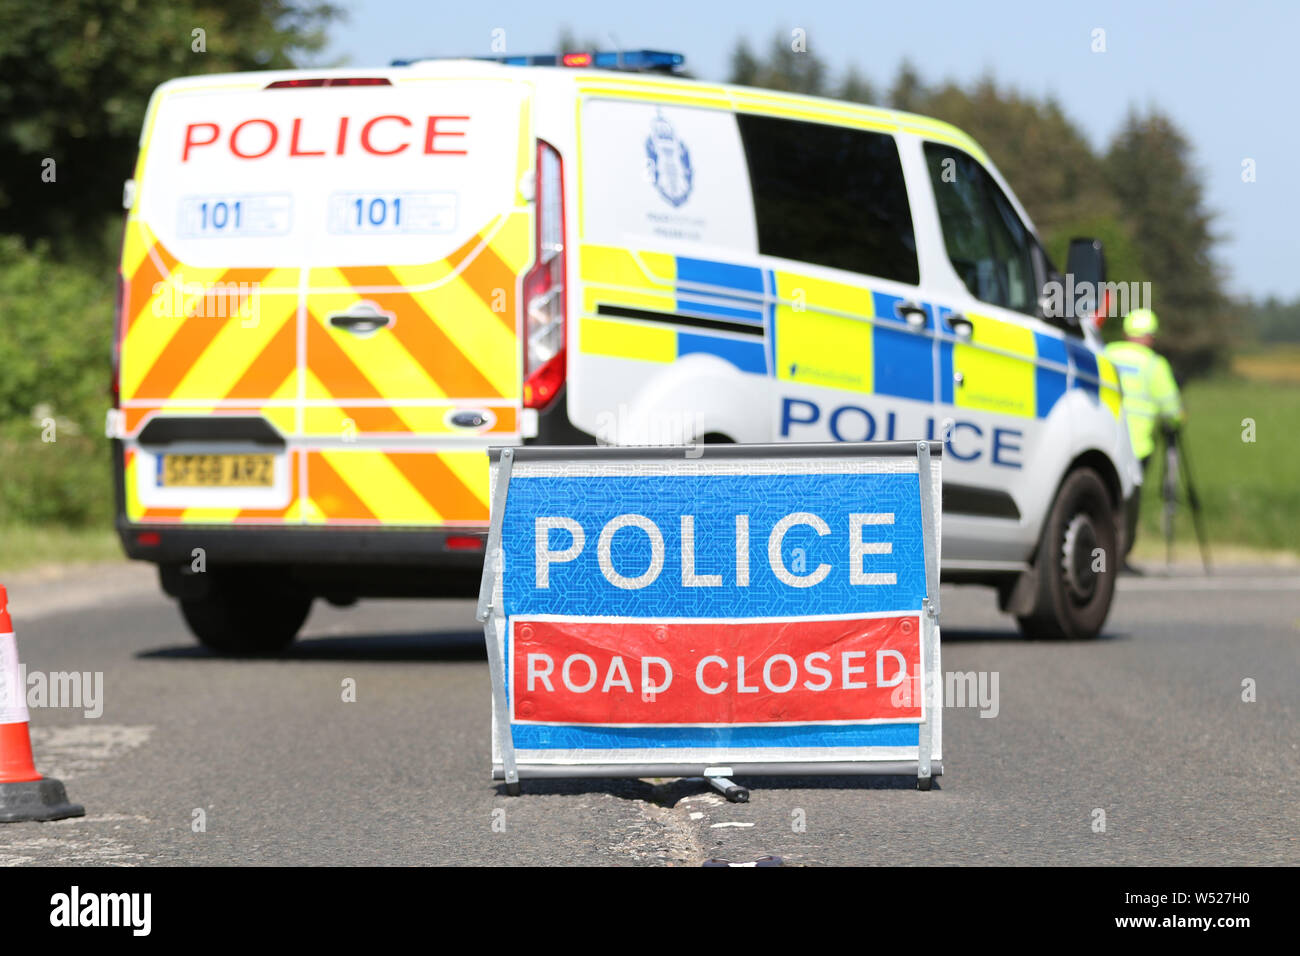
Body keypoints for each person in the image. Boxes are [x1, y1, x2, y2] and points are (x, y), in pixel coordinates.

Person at [1104, 308, 1184, 556]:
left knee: (1104, 496)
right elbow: (1172, 409)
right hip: (1137, 445)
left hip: (1103, 438)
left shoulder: (1106, 353)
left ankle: (1099, 553)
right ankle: (1121, 554)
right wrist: (1179, 418)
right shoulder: (1153, 364)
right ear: (1149, 335)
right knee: (1128, 502)